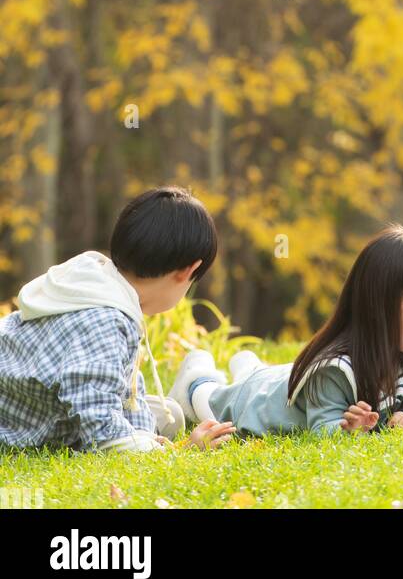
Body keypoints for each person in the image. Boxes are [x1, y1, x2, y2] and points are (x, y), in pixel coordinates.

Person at [0, 185, 232, 451]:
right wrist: (179, 452)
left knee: (170, 415)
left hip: (37, 396)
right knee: (148, 426)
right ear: (188, 271)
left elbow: (125, 393)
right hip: (15, 423)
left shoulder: (102, 286)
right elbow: (100, 429)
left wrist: (145, 434)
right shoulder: (104, 322)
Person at [170, 225, 403, 435]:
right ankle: (196, 375)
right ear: (380, 307)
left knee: (260, 377)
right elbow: (323, 431)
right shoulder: (334, 371)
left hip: (280, 381)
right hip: (251, 402)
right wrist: (350, 431)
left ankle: (247, 365)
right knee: (209, 396)